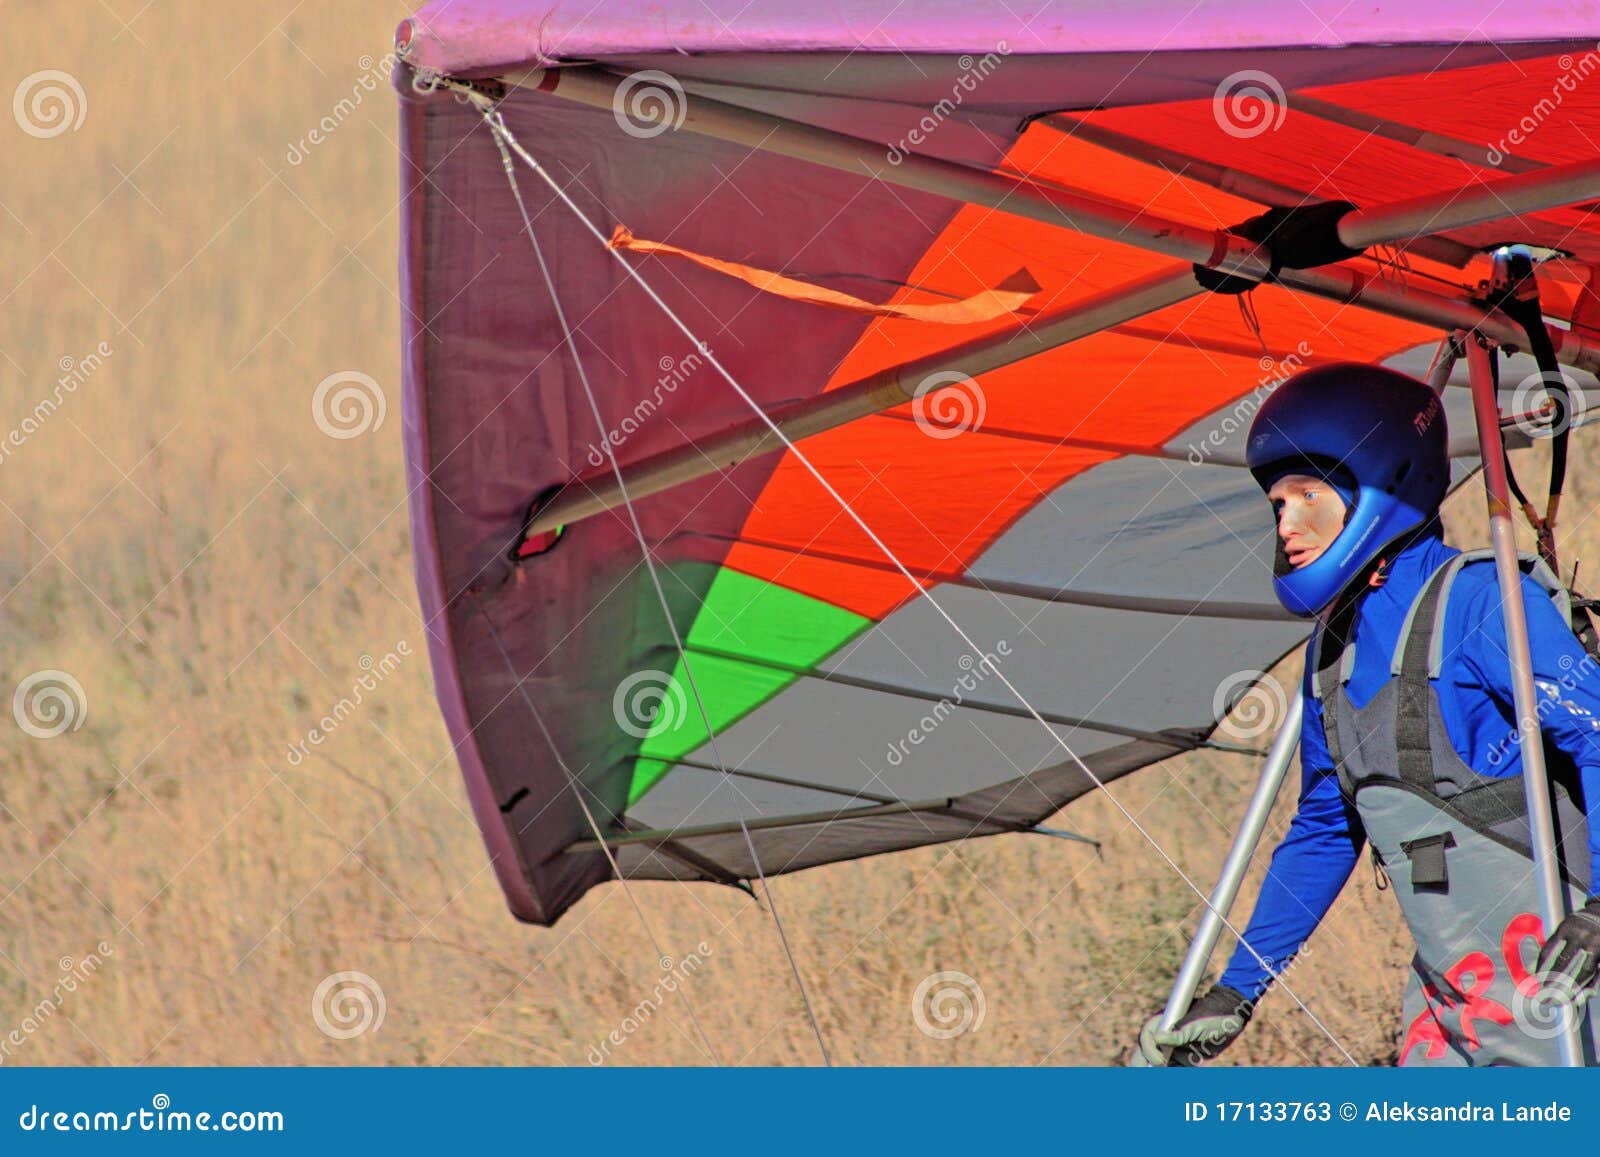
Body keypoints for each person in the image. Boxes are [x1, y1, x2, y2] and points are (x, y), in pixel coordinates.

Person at [1136, 361, 1600, 1067]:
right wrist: (1237, 989)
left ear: (1382, 485)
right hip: (1455, 1005)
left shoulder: (1481, 602)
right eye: (1277, 504)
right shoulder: (1333, 653)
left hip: (1565, 983)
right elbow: (1325, 830)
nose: (1286, 523)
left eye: (1307, 496)